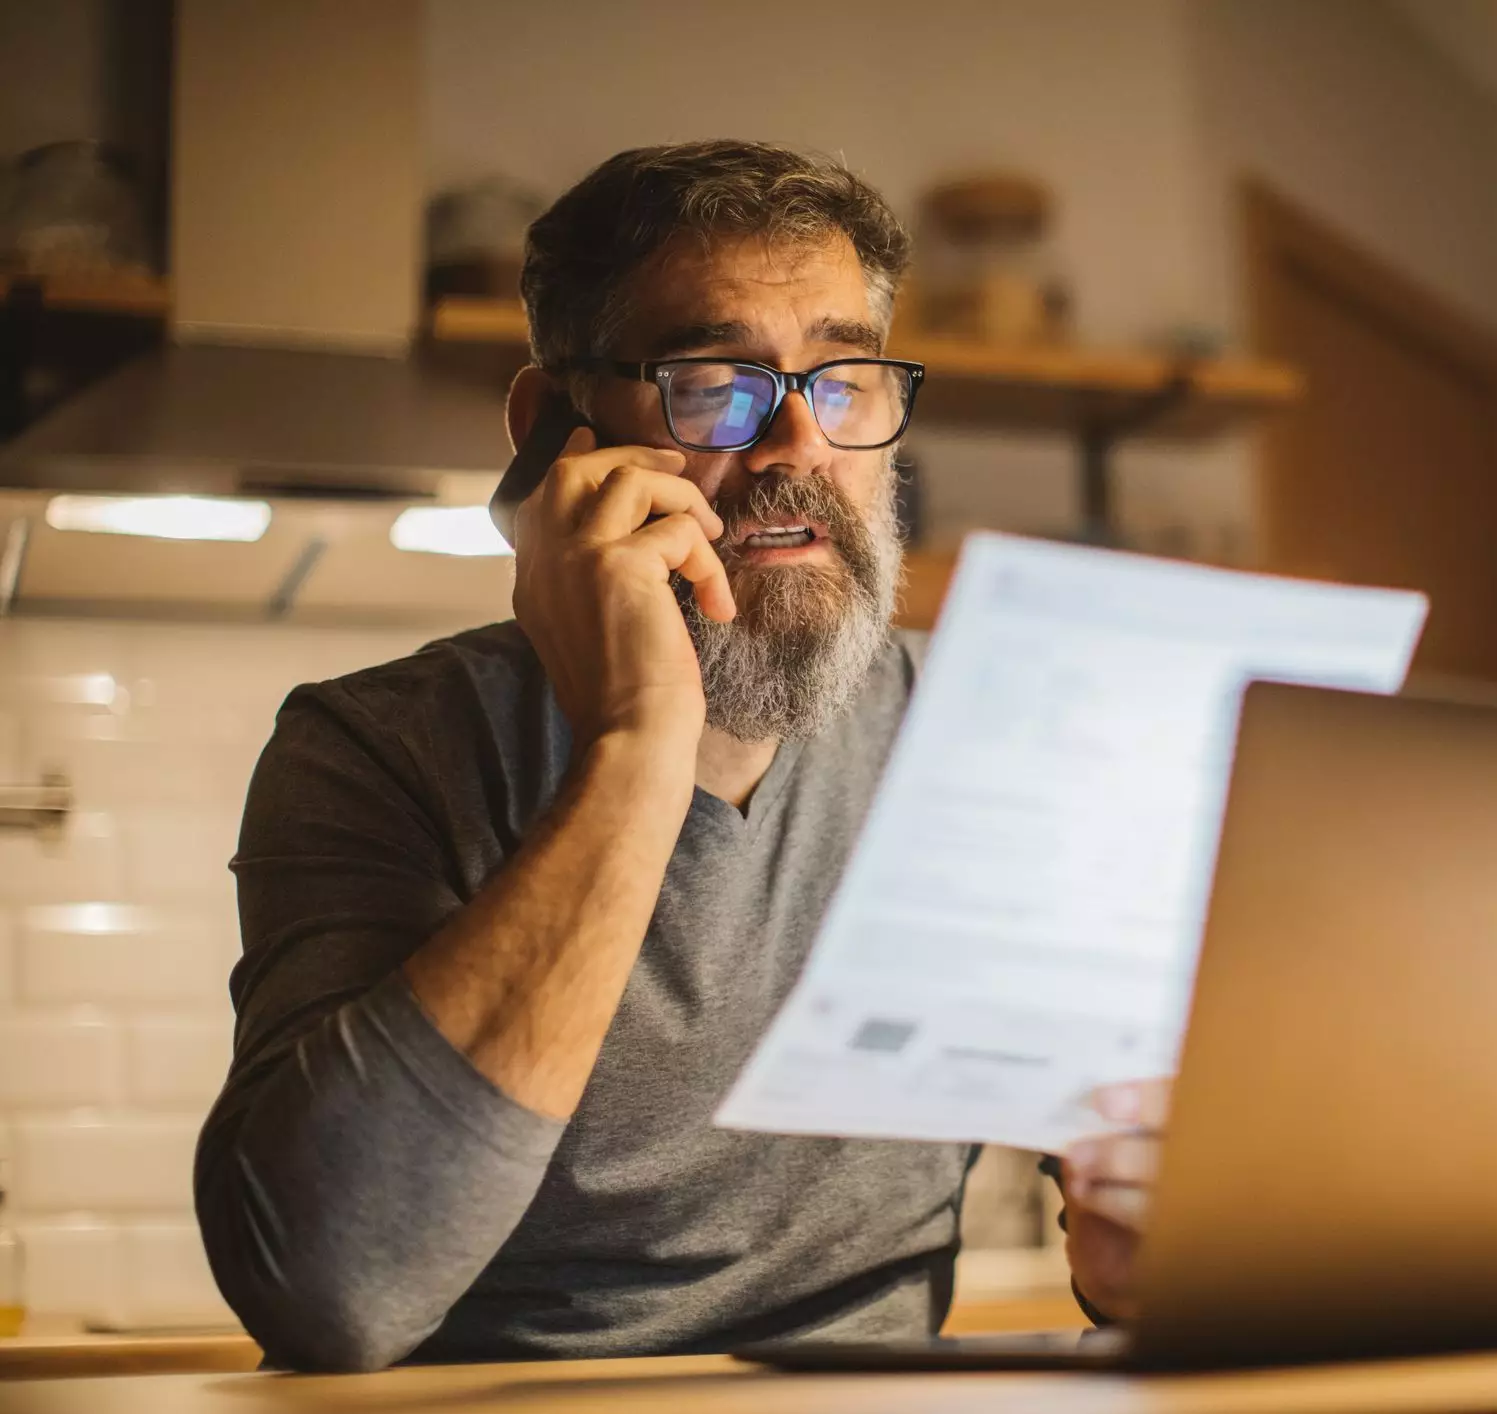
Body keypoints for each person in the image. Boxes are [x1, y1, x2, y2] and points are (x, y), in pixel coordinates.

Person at [194, 139, 1162, 1372]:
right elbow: (328, 1291)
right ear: (554, 428)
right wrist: (641, 740)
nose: (798, 446)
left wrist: (1150, 1262)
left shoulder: (977, 739)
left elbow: (1154, 1217)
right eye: (716, 382)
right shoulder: (377, 749)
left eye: (844, 378)